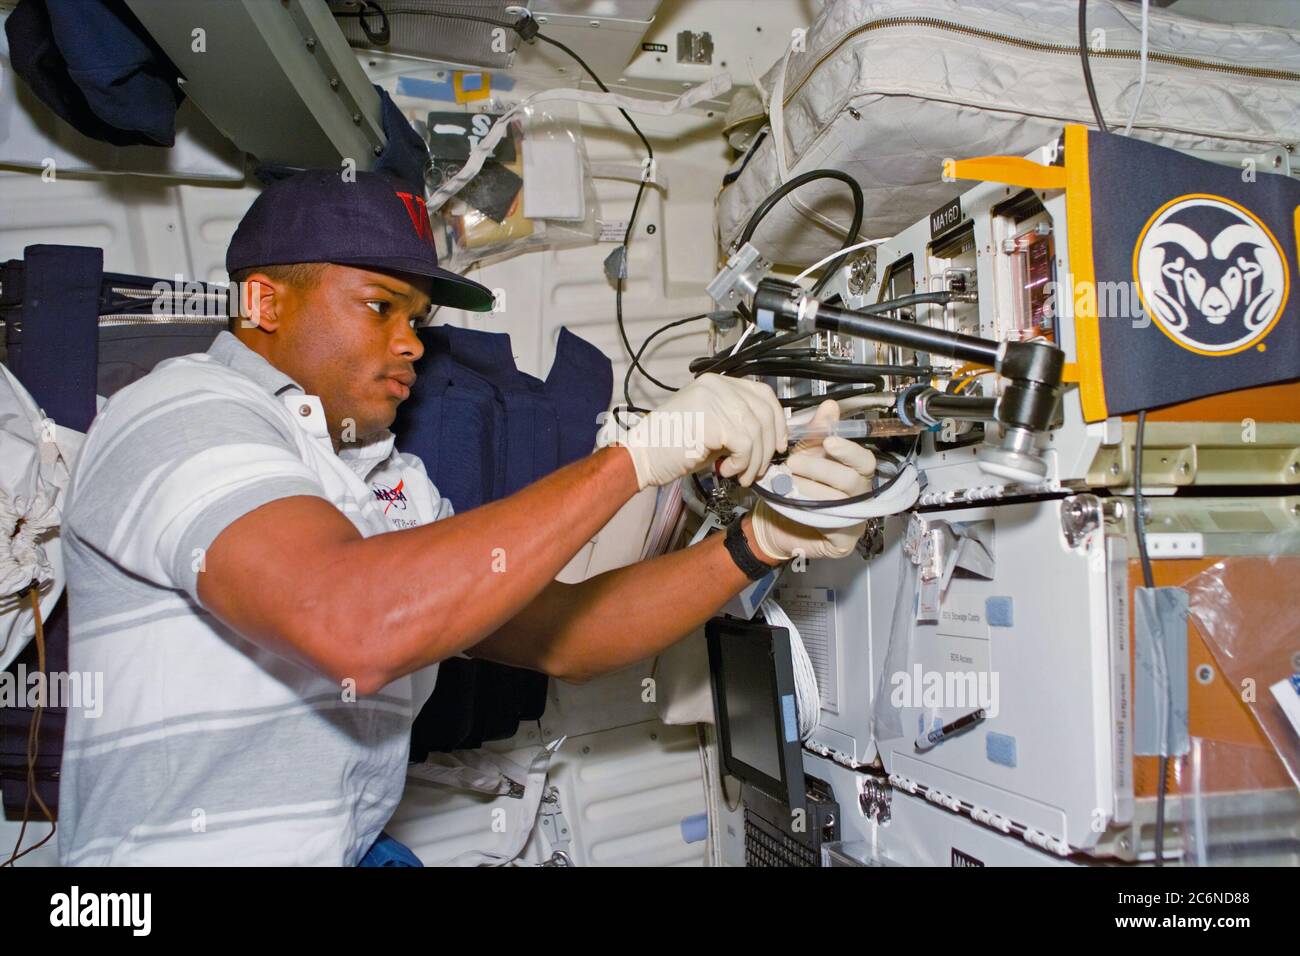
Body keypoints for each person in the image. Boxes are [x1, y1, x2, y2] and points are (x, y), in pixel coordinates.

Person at [56, 168, 875, 865]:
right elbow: (353, 623)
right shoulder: (180, 413)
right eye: (381, 307)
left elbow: (569, 636)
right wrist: (634, 458)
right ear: (265, 303)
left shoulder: (389, 483)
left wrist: (761, 541)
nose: (411, 343)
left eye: (418, 319)